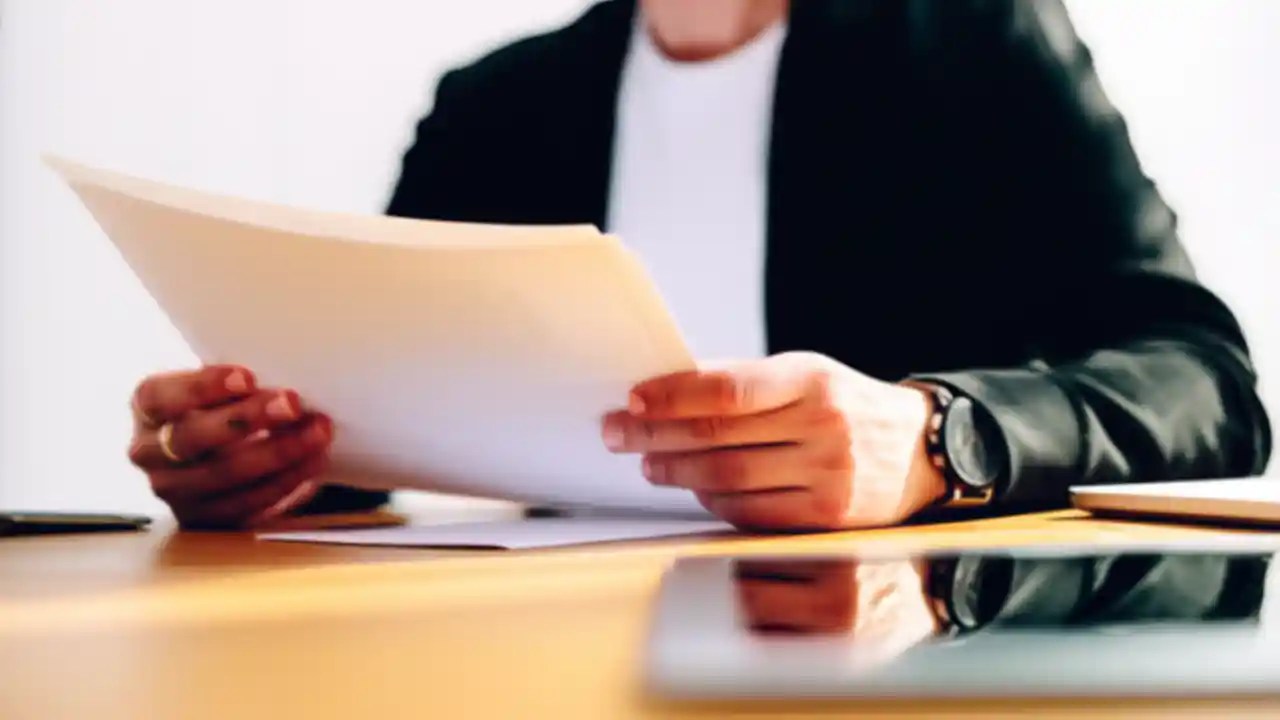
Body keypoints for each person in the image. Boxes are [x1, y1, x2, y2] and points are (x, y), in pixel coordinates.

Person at [127, 0, 1271, 530]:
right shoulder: (498, 105)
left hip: (877, 660)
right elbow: (388, 413)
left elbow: (1203, 386)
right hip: (520, 649)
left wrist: (935, 436)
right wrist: (263, 455)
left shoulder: (973, 39)